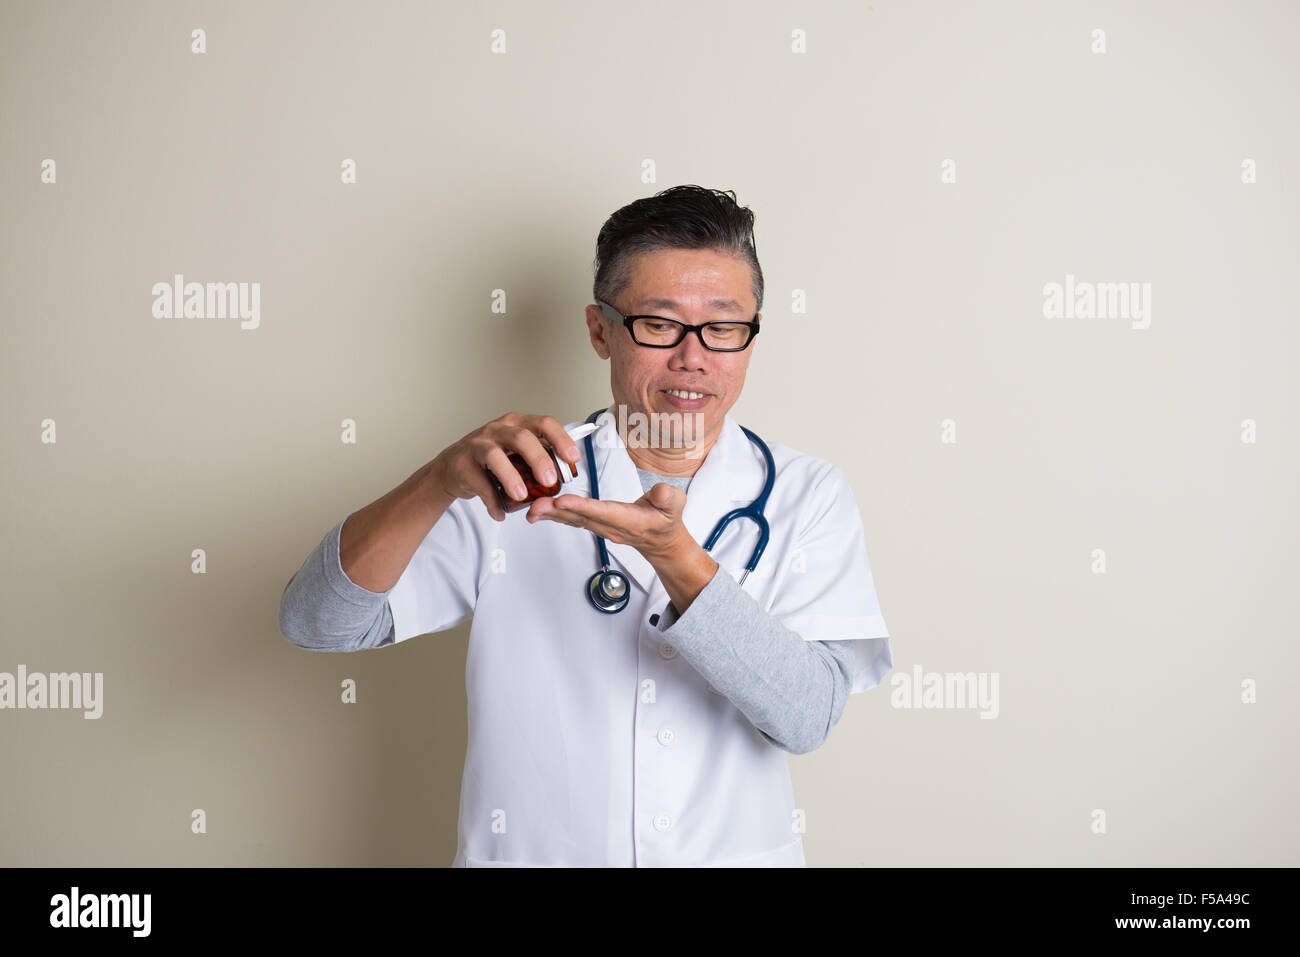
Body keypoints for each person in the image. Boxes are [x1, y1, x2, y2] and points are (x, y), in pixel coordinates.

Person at [278, 185, 893, 866]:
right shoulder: (511, 473)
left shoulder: (806, 495)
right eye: (659, 324)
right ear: (601, 330)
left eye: (723, 327)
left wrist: (676, 558)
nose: (693, 357)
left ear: (751, 335)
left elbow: (807, 717)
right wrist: (435, 480)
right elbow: (317, 622)